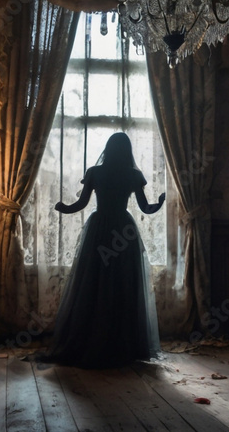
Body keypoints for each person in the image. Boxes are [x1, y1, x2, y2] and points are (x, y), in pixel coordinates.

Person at [39, 132, 165, 368]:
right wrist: (158, 203)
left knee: (93, 283)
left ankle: (92, 340)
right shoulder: (133, 174)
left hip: (99, 230)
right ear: (127, 151)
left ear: (108, 149)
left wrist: (62, 208)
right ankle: (121, 346)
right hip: (123, 231)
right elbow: (145, 207)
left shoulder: (95, 172)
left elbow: (81, 204)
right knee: (122, 284)